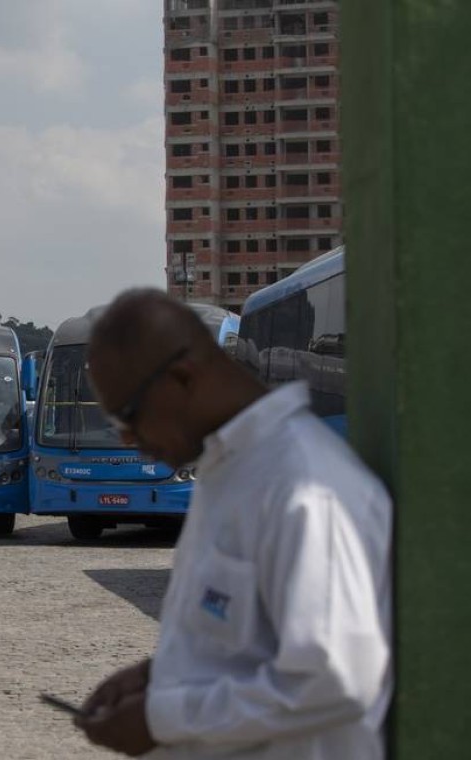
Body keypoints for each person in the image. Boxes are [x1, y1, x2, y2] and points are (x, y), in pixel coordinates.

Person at [71, 288, 392, 759]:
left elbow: (336, 678)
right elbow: (246, 645)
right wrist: (158, 676)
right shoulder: (228, 473)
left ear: (182, 377)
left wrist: (162, 717)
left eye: (130, 419)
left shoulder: (304, 489)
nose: (132, 444)